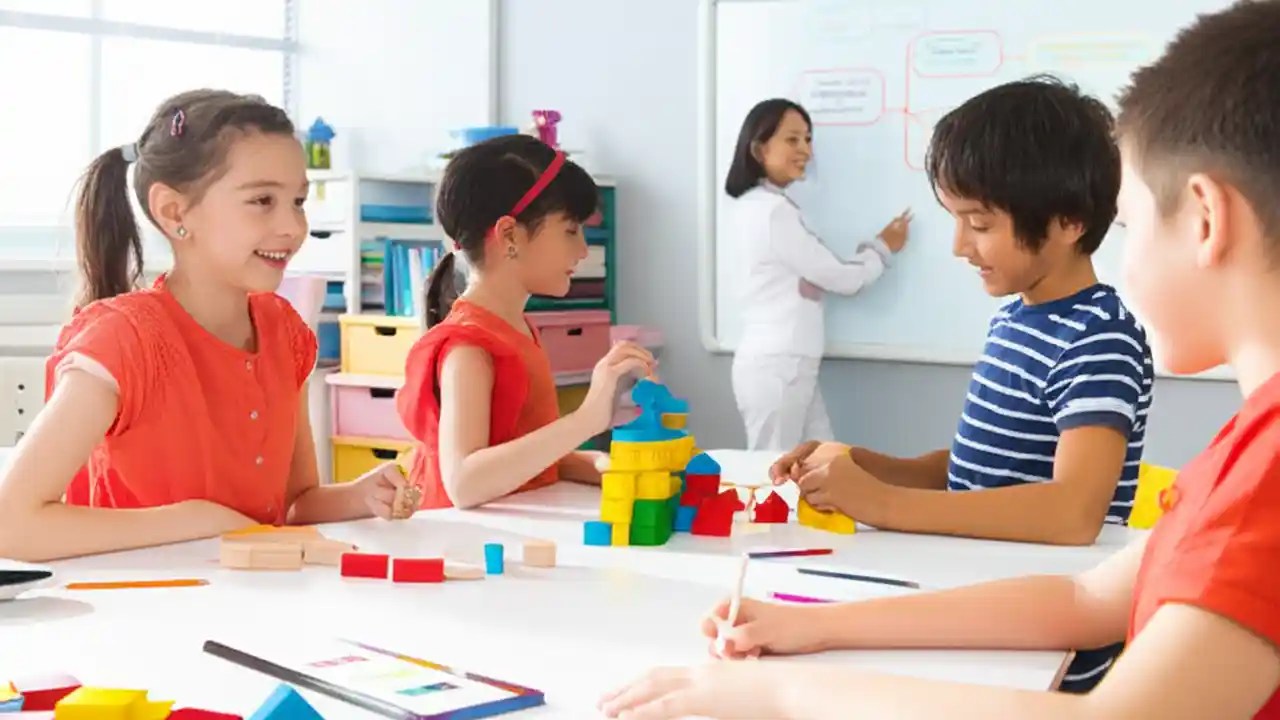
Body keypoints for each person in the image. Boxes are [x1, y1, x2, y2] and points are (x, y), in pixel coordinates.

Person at [598, 2, 1280, 718]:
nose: (1128, 256)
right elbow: (1084, 599)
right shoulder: (1244, 448)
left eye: (1135, 225)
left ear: (1206, 220)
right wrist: (817, 627)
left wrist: (780, 693)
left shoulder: (1262, 473)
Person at [0, 90, 409, 563]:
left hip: (257, 605)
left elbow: (292, 504)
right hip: (140, 614)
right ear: (175, 213)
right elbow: (13, 525)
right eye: (262, 200)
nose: (293, 226)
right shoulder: (122, 341)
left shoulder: (287, 335)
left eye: (297, 200)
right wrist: (199, 521)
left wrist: (357, 497)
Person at [396, 135, 654, 510]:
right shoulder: (469, 347)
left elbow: (526, 458)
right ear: (509, 235)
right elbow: (464, 483)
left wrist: (609, 467)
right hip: (462, 547)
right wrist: (585, 419)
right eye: (570, 230)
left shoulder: (517, 328)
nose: (583, 249)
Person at [724, 98, 911, 451]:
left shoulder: (758, 206)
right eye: (792, 140)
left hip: (789, 363)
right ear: (759, 149)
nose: (806, 150)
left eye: (808, 140)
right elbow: (841, 278)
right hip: (781, 364)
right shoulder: (772, 212)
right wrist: (882, 248)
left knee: (822, 461)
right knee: (772, 473)